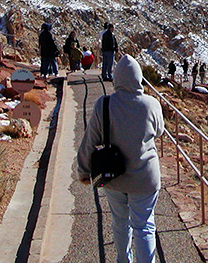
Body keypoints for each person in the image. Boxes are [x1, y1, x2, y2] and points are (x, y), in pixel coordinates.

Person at [77, 55, 165, 263]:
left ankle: (123, 260)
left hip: (113, 176)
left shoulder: (104, 104)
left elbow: (89, 141)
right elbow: (159, 131)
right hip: (145, 177)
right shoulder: (151, 104)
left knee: (119, 222)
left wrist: (83, 171)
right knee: (144, 226)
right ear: (139, 78)